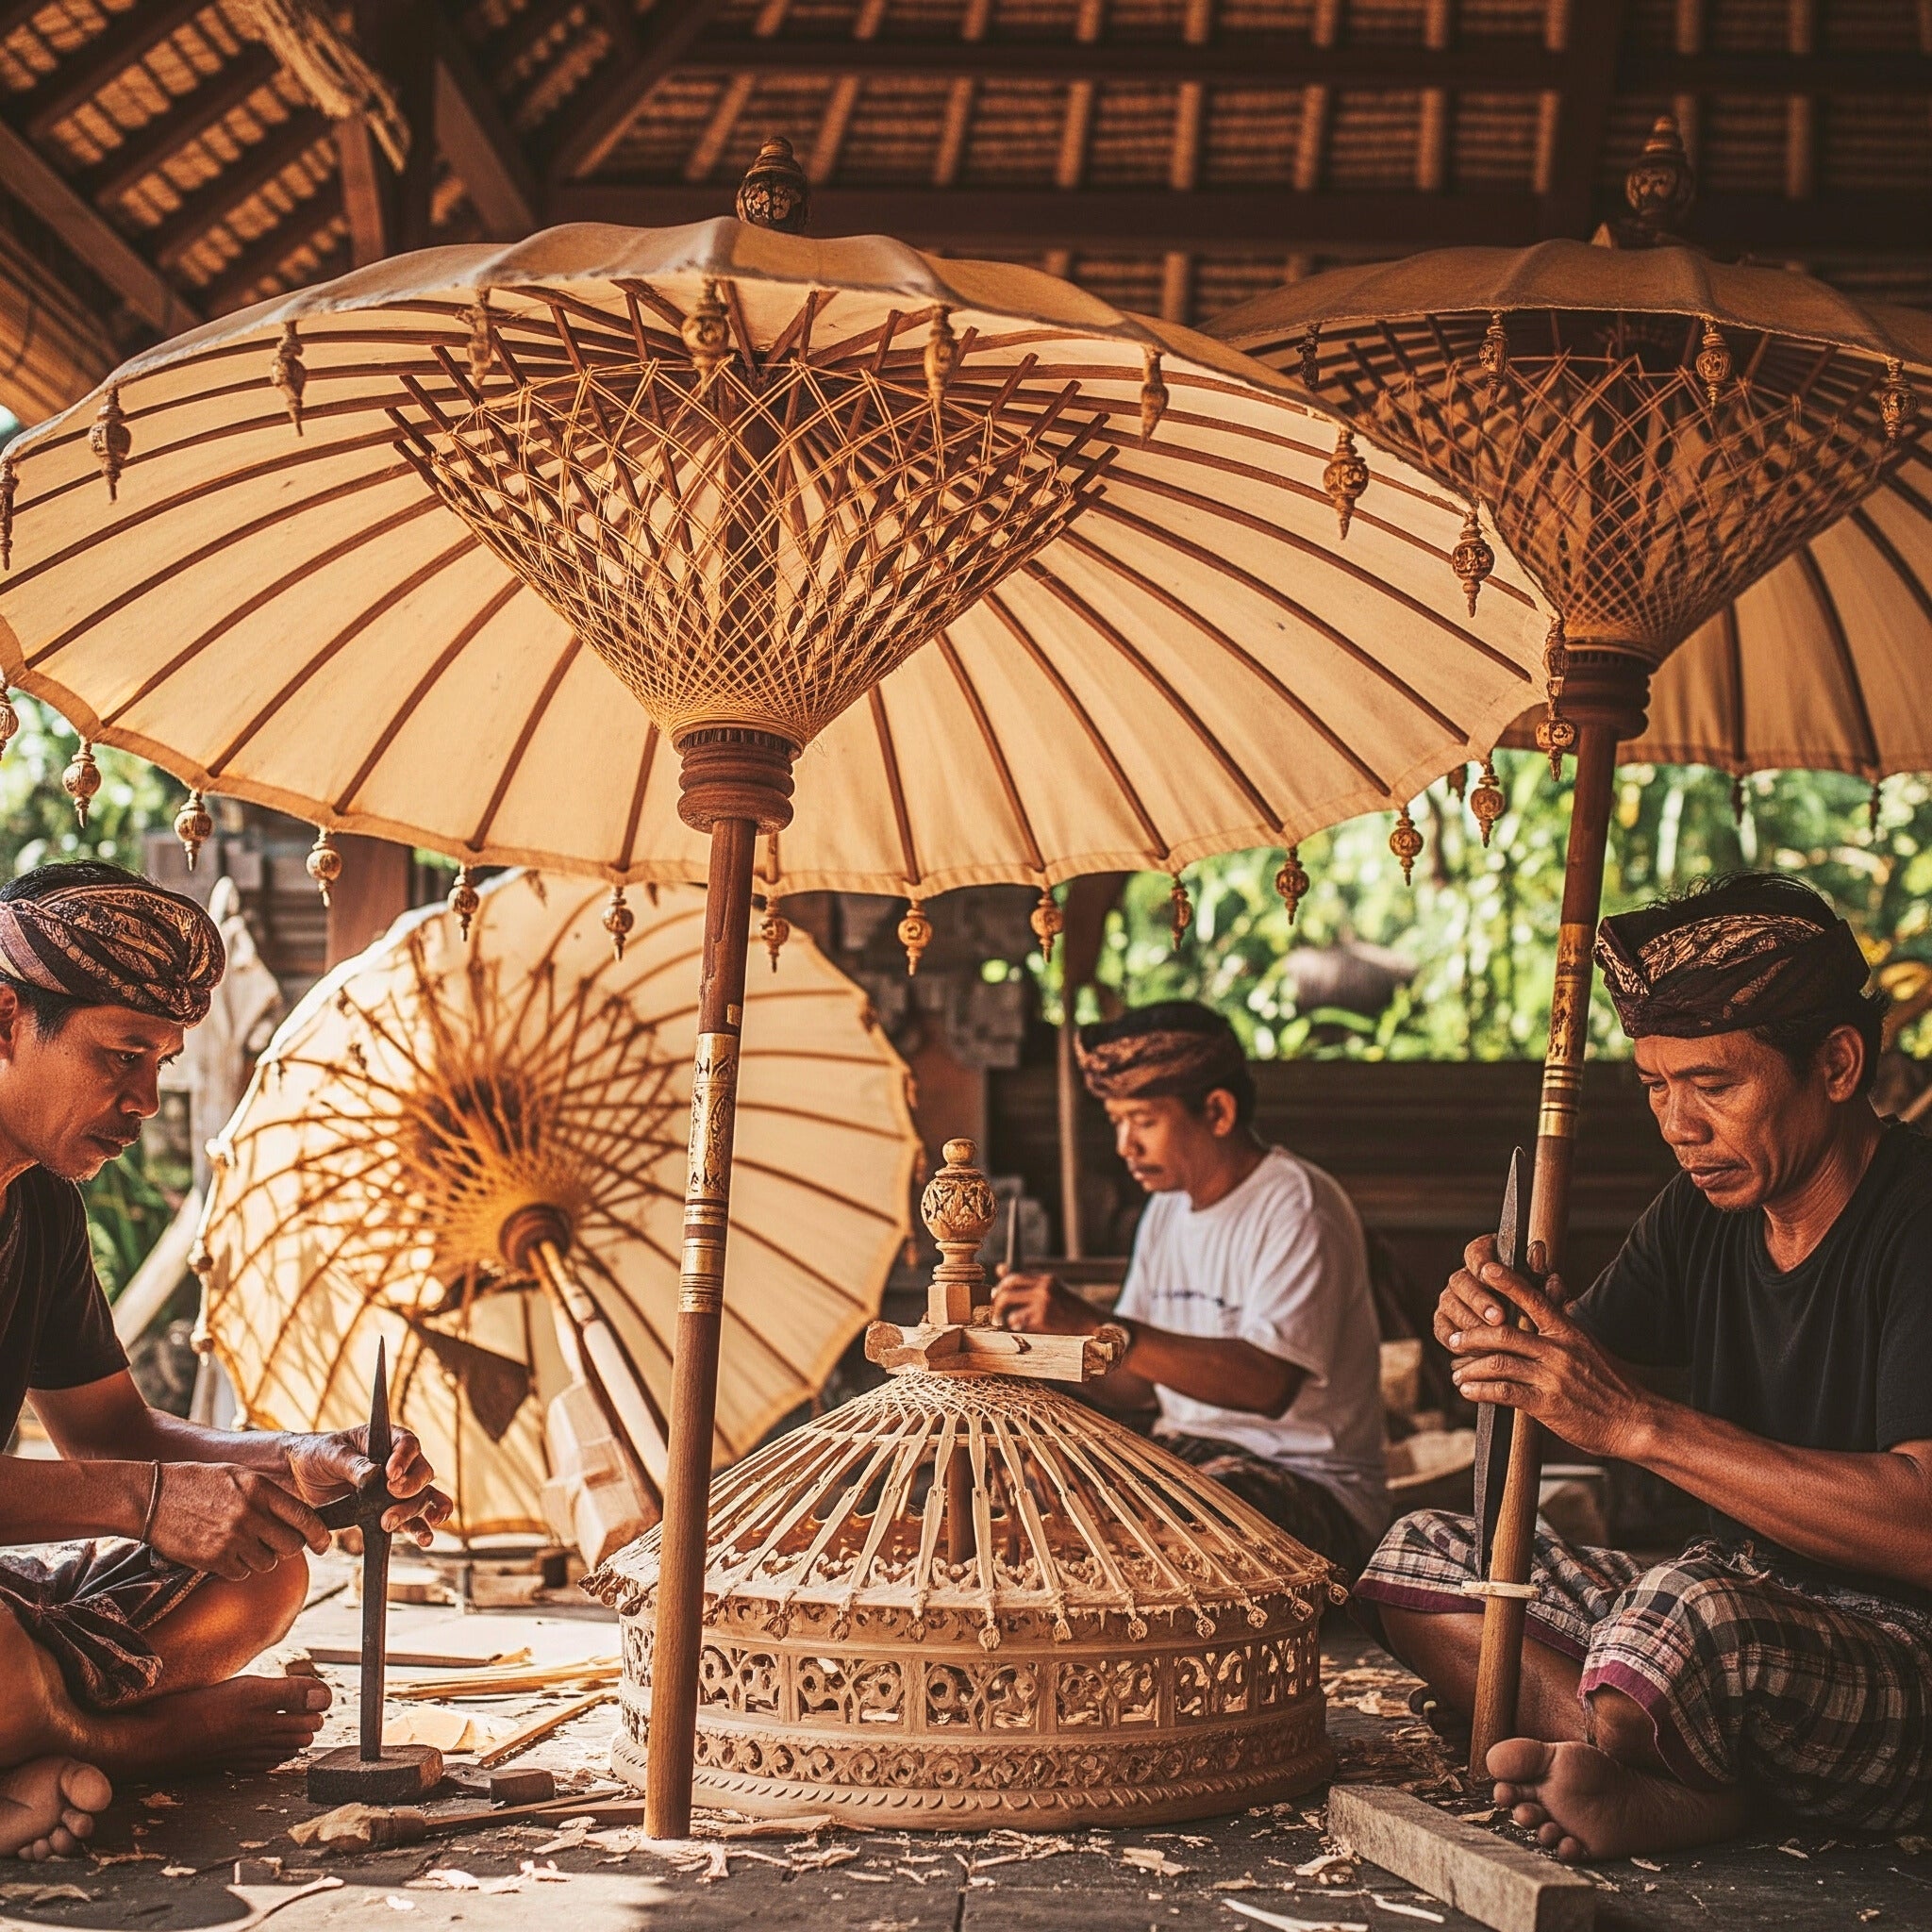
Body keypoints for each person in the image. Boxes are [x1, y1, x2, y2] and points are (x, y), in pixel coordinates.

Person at [1355, 872, 1932, 1861]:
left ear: (1836, 1063)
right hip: (1719, 1614)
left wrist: (1635, 1424)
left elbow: (1920, 1524)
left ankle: (1674, 1769)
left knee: (1683, 1615)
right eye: (1655, 1085)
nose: (1677, 1124)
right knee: (1420, 1555)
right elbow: (1566, 1369)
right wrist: (1500, 1328)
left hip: (1891, 1647)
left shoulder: (1914, 1214)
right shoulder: (1700, 1211)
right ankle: (1645, 1753)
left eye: (1713, 1084)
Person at [0, 862, 451, 1861]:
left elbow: (115, 1436)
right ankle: (128, 1739)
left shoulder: (39, 1206)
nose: (146, 1099)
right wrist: (150, 1500)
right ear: (5, 1017)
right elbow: (135, 1480)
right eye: (122, 1053)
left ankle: (28, 1749)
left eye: (161, 1062)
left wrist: (294, 1462)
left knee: (263, 1568)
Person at [991, 1000, 1387, 1575]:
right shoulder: (1164, 1212)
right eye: (1116, 1122)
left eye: (1145, 1121)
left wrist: (1098, 1328)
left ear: (1218, 1112)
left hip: (1307, 1486)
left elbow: (1266, 1385)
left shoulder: (1298, 1205)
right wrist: (1043, 1350)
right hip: (1184, 1459)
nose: (1126, 1145)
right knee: (1026, 1479)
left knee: (1177, 1517)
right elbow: (1137, 1389)